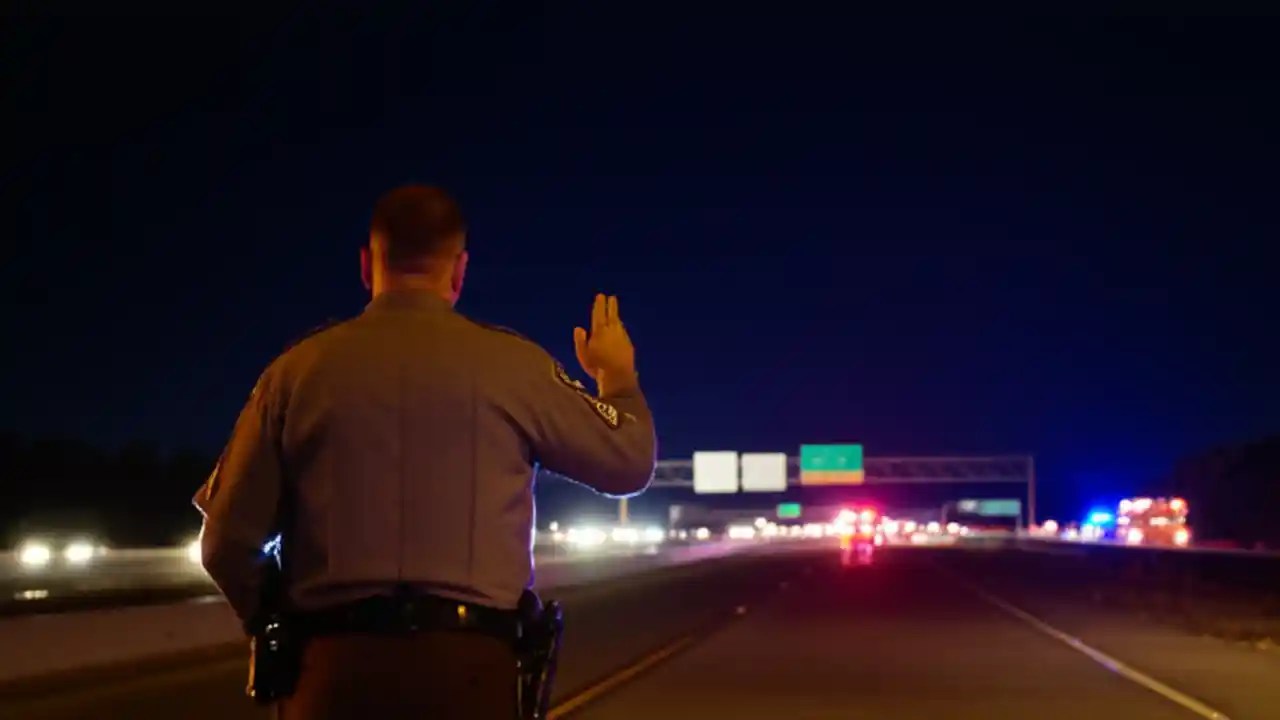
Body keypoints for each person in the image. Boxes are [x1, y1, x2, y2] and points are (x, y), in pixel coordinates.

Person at [193, 184, 657, 719]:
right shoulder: (516, 366)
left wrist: (278, 623)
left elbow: (225, 544)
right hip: (468, 673)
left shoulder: (294, 373)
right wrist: (617, 379)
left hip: (331, 673)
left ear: (367, 266)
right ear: (459, 272)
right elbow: (629, 462)